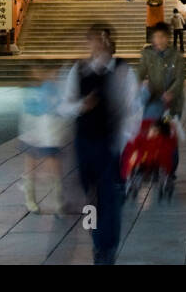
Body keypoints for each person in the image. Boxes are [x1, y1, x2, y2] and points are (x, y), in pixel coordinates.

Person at [58, 25, 140, 264]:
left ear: (111, 43)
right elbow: (63, 106)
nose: (100, 43)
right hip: (84, 143)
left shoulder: (123, 71)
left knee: (110, 197)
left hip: (111, 144)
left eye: (104, 39)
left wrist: (123, 140)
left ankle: (107, 247)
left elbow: (133, 108)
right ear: (89, 43)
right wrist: (81, 106)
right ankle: (97, 241)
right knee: (91, 199)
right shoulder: (78, 71)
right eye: (95, 39)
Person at [18, 66, 73, 213]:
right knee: (31, 164)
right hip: (32, 130)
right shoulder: (30, 89)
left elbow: (61, 106)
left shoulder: (52, 87)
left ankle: (58, 199)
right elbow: (33, 109)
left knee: (53, 163)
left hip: (50, 132)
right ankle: (30, 198)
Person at [137, 22, 185, 175]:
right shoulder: (147, 54)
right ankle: (152, 162)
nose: (158, 40)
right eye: (156, 37)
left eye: (162, 37)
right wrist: (136, 85)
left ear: (168, 38)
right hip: (153, 100)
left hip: (172, 103)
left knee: (169, 133)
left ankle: (171, 168)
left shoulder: (176, 56)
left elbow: (180, 78)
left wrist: (171, 93)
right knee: (150, 131)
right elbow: (140, 72)